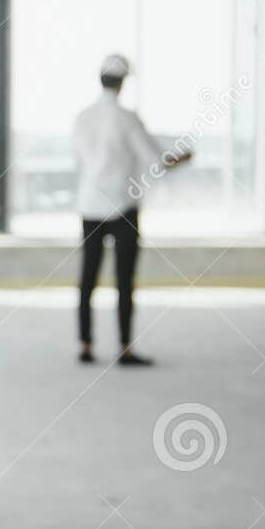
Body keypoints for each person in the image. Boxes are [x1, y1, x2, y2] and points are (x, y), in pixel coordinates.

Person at [71, 54, 191, 366]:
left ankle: (85, 345)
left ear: (100, 79)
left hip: (89, 205)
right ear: (122, 82)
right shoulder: (127, 118)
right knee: (124, 280)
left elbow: (81, 161)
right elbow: (156, 160)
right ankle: (124, 348)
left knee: (88, 277)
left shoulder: (82, 117)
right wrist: (182, 158)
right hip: (123, 206)